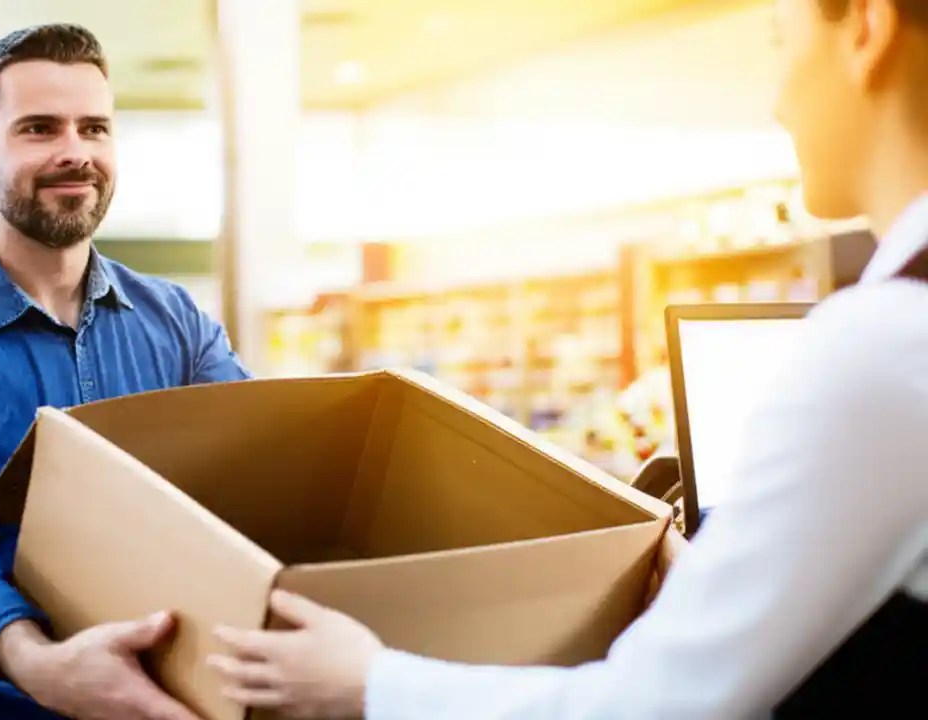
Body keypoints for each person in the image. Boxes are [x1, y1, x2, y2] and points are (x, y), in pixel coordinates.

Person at [208, 0, 928, 717]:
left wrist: (366, 683)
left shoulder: (884, 343)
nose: (776, 102)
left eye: (781, 41)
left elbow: (658, 707)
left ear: (866, 28)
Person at [0, 24, 248, 720]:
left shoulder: (178, 323)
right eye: (39, 129)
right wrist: (42, 666)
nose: (75, 152)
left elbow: (262, 476)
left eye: (94, 128)